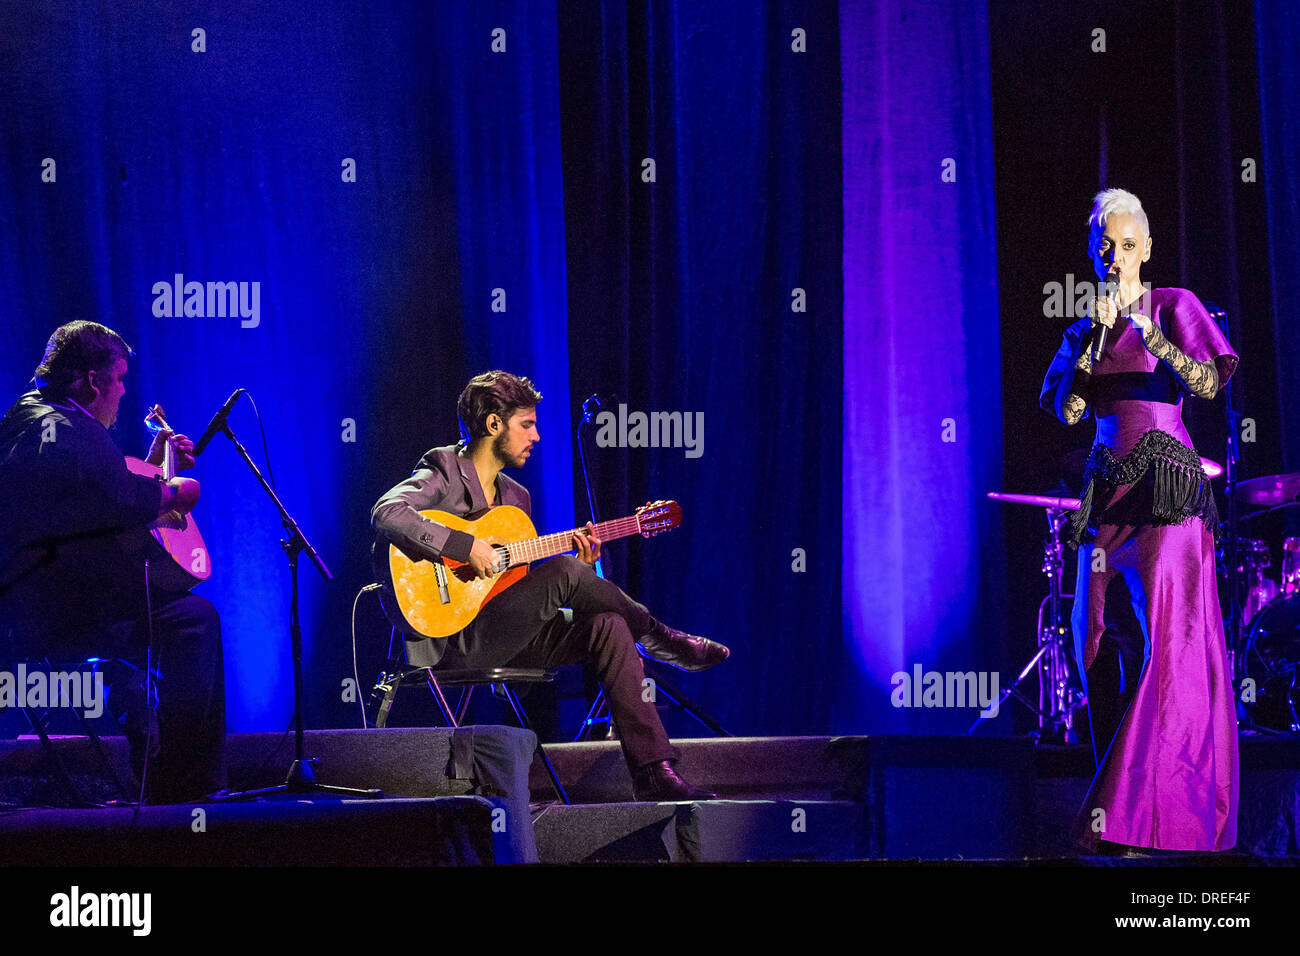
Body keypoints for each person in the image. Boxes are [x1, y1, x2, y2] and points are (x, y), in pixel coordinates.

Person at [372, 371, 729, 800]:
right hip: (453, 638)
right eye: (527, 424)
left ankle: (654, 773)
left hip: (506, 636)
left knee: (608, 623)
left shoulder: (517, 498)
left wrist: (580, 574)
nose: (537, 436)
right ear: (493, 425)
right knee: (563, 572)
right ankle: (659, 637)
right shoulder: (445, 469)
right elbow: (387, 512)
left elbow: (519, 593)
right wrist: (466, 546)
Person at [1040, 189, 1238, 853]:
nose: (1115, 256)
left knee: (1166, 643)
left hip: (1168, 493)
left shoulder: (1174, 305)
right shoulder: (1082, 326)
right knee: (1090, 641)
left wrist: (1152, 337)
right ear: (1092, 251)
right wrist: (1094, 340)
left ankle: (1144, 818)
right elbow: (1067, 411)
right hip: (1106, 498)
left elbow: (1209, 385)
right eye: (1105, 244)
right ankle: (1117, 807)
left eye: (1128, 244)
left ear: (1146, 249)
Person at [0, 321, 227, 804]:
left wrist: (152, 466)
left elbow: (98, 502)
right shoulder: (69, 430)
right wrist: (175, 491)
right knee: (193, 620)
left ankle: (153, 774)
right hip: (60, 616)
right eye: (119, 379)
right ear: (92, 380)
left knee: (163, 622)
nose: (123, 391)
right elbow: (120, 498)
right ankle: (184, 790)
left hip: (38, 605)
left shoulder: (29, 417)